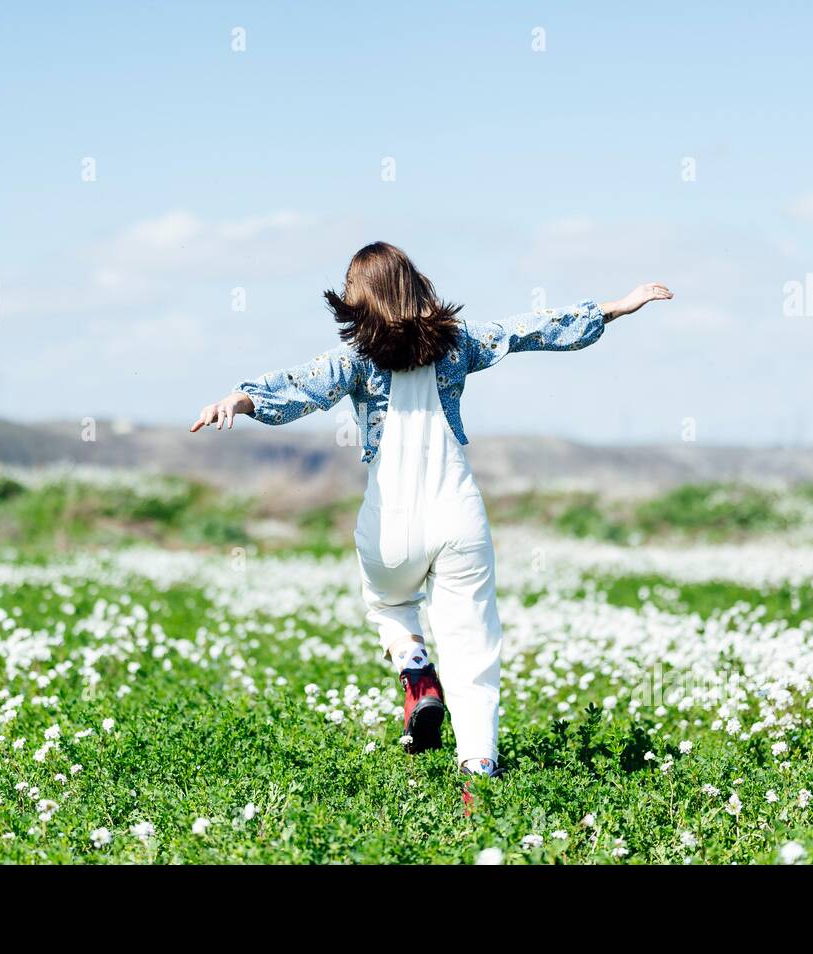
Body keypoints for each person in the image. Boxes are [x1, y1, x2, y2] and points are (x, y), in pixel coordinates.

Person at [191, 241, 671, 779]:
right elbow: (529, 328)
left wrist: (237, 399)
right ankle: (478, 774)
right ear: (416, 286)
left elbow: (296, 389)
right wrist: (611, 308)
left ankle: (416, 672)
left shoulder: (352, 361)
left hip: (389, 523)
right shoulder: (460, 343)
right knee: (472, 646)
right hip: (457, 516)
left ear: (361, 300)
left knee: (388, 605)